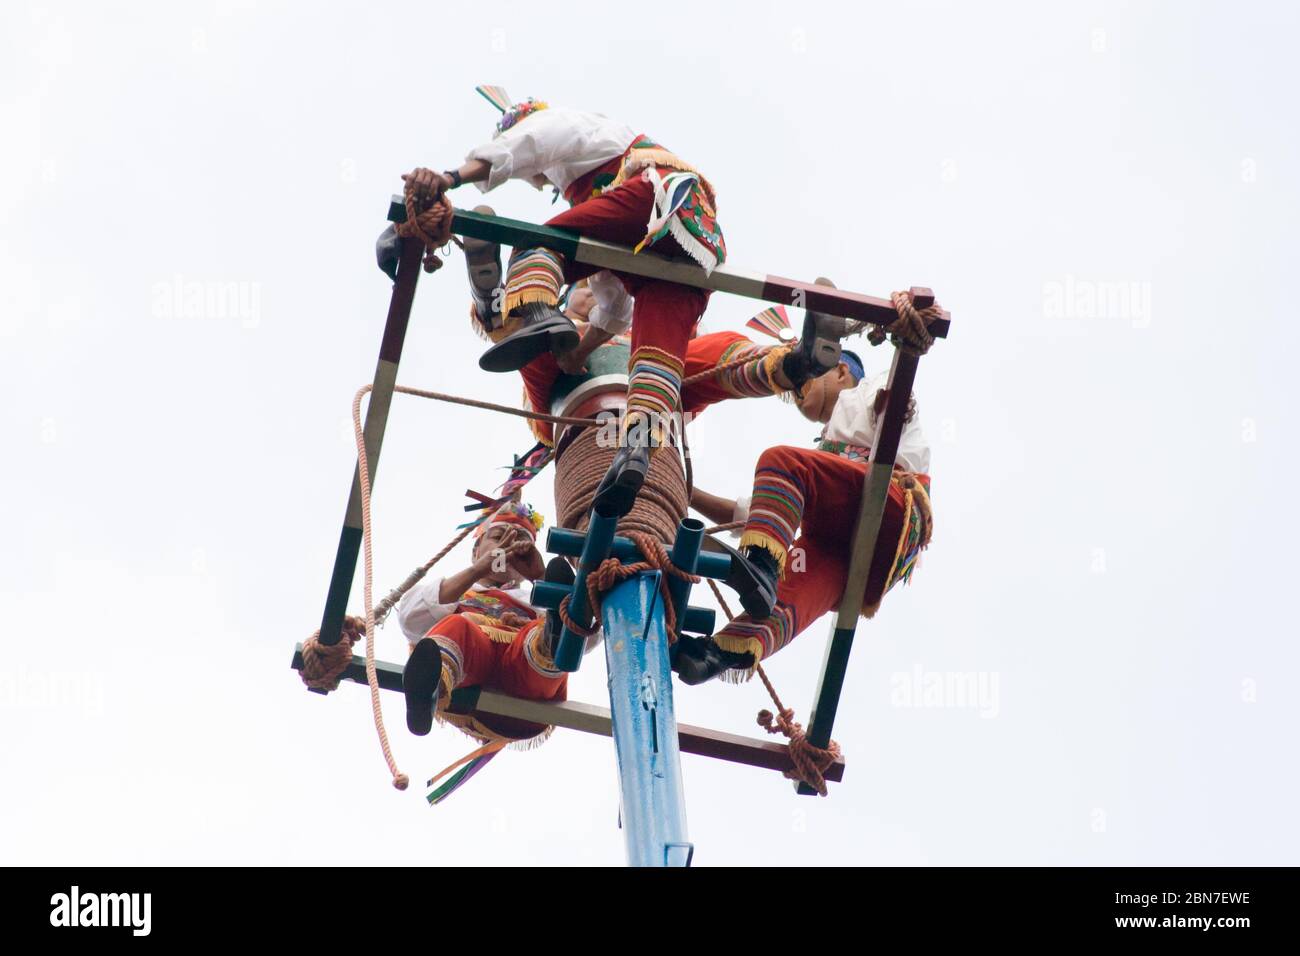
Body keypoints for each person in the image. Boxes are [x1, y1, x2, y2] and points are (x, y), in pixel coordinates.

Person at [390, 86, 843, 519]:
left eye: (535, 175)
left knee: (537, 246)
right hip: (684, 251)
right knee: (659, 364)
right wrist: (579, 351)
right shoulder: (596, 223)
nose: (536, 180)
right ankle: (794, 366)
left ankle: (529, 309)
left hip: (654, 202)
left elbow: (530, 142)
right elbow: (615, 304)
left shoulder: (572, 131)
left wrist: (451, 178)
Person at [679, 351, 934, 684]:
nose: (798, 392)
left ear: (842, 372)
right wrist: (689, 494)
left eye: (807, 378)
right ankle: (714, 656)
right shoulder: (824, 451)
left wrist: (894, 399)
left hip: (890, 500)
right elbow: (754, 513)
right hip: (855, 552)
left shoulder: (867, 388)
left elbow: (895, 398)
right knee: (790, 593)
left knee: (782, 462)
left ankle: (762, 569)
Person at [397, 502, 593, 746]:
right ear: (475, 550)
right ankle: (427, 692)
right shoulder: (457, 591)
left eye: (521, 540)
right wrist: (478, 570)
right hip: (468, 676)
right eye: (499, 536)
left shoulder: (531, 601)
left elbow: (588, 637)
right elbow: (411, 619)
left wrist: (541, 578)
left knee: (545, 632)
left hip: (525, 688)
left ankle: (554, 624)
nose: (510, 544)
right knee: (458, 626)